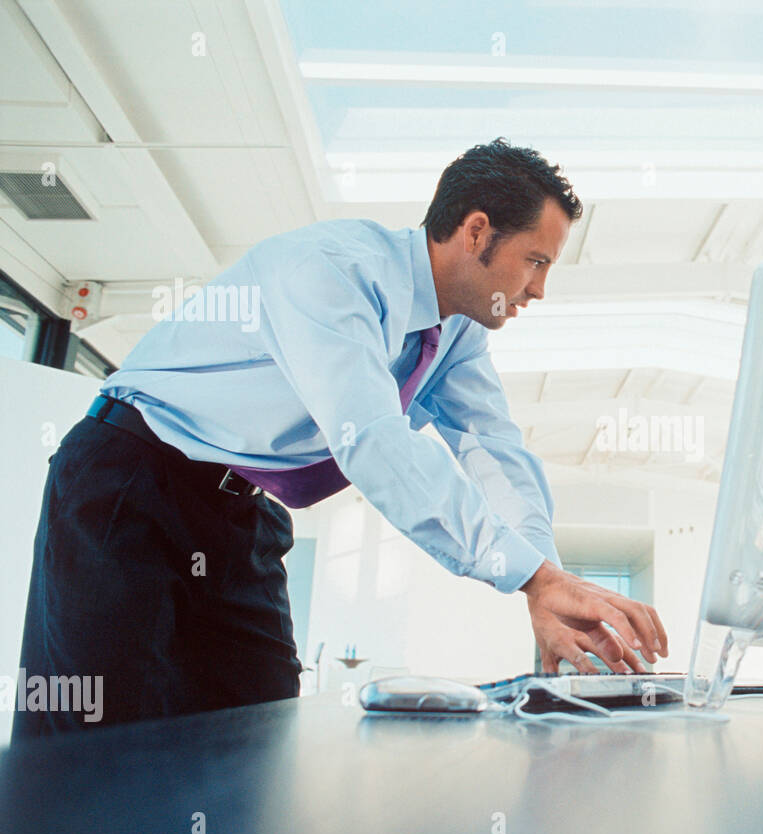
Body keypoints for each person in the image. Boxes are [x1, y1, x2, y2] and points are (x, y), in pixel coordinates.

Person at [15, 138, 666, 739]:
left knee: (257, 736)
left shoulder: (460, 334)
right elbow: (373, 440)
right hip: (131, 482)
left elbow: (494, 452)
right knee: (104, 753)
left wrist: (546, 582)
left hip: (240, 510)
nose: (541, 290)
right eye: (537, 261)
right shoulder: (331, 272)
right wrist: (532, 577)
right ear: (477, 233)